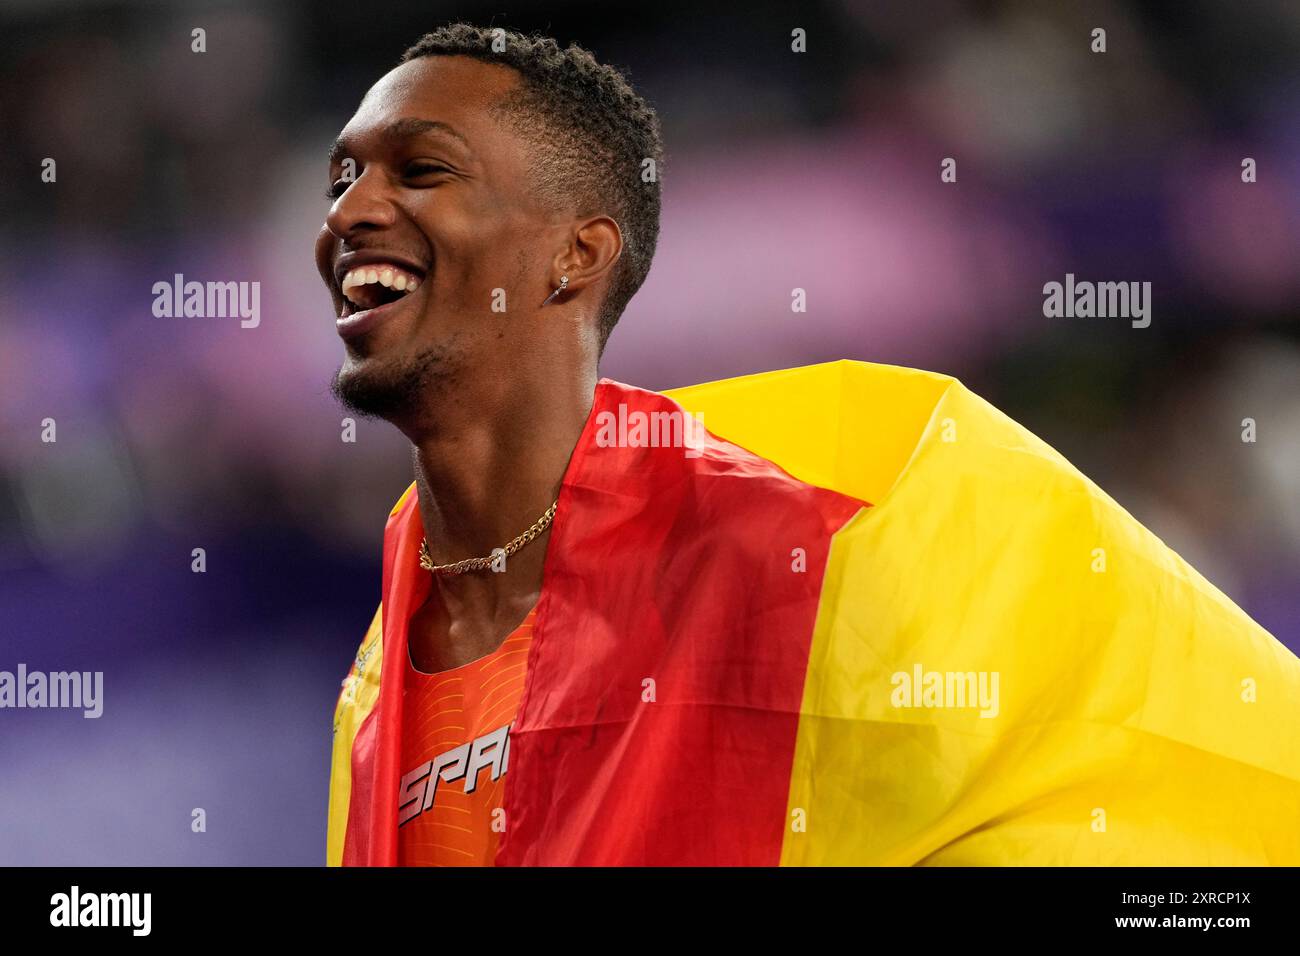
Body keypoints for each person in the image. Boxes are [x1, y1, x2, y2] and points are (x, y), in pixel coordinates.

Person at [319, 23, 1300, 866]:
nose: (351, 211)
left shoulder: (865, 503)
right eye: (344, 174)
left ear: (576, 252)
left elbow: (1199, 788)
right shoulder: (373, 695)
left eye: (424, 171)